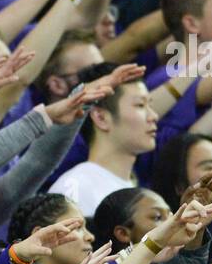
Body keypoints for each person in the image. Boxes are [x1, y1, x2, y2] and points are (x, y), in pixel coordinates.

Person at [49, 78, 158, 217]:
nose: (154, 116)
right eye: (140, 105)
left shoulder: (133, 185)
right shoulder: (75, 188)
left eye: (150, 105)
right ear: (101, 118)